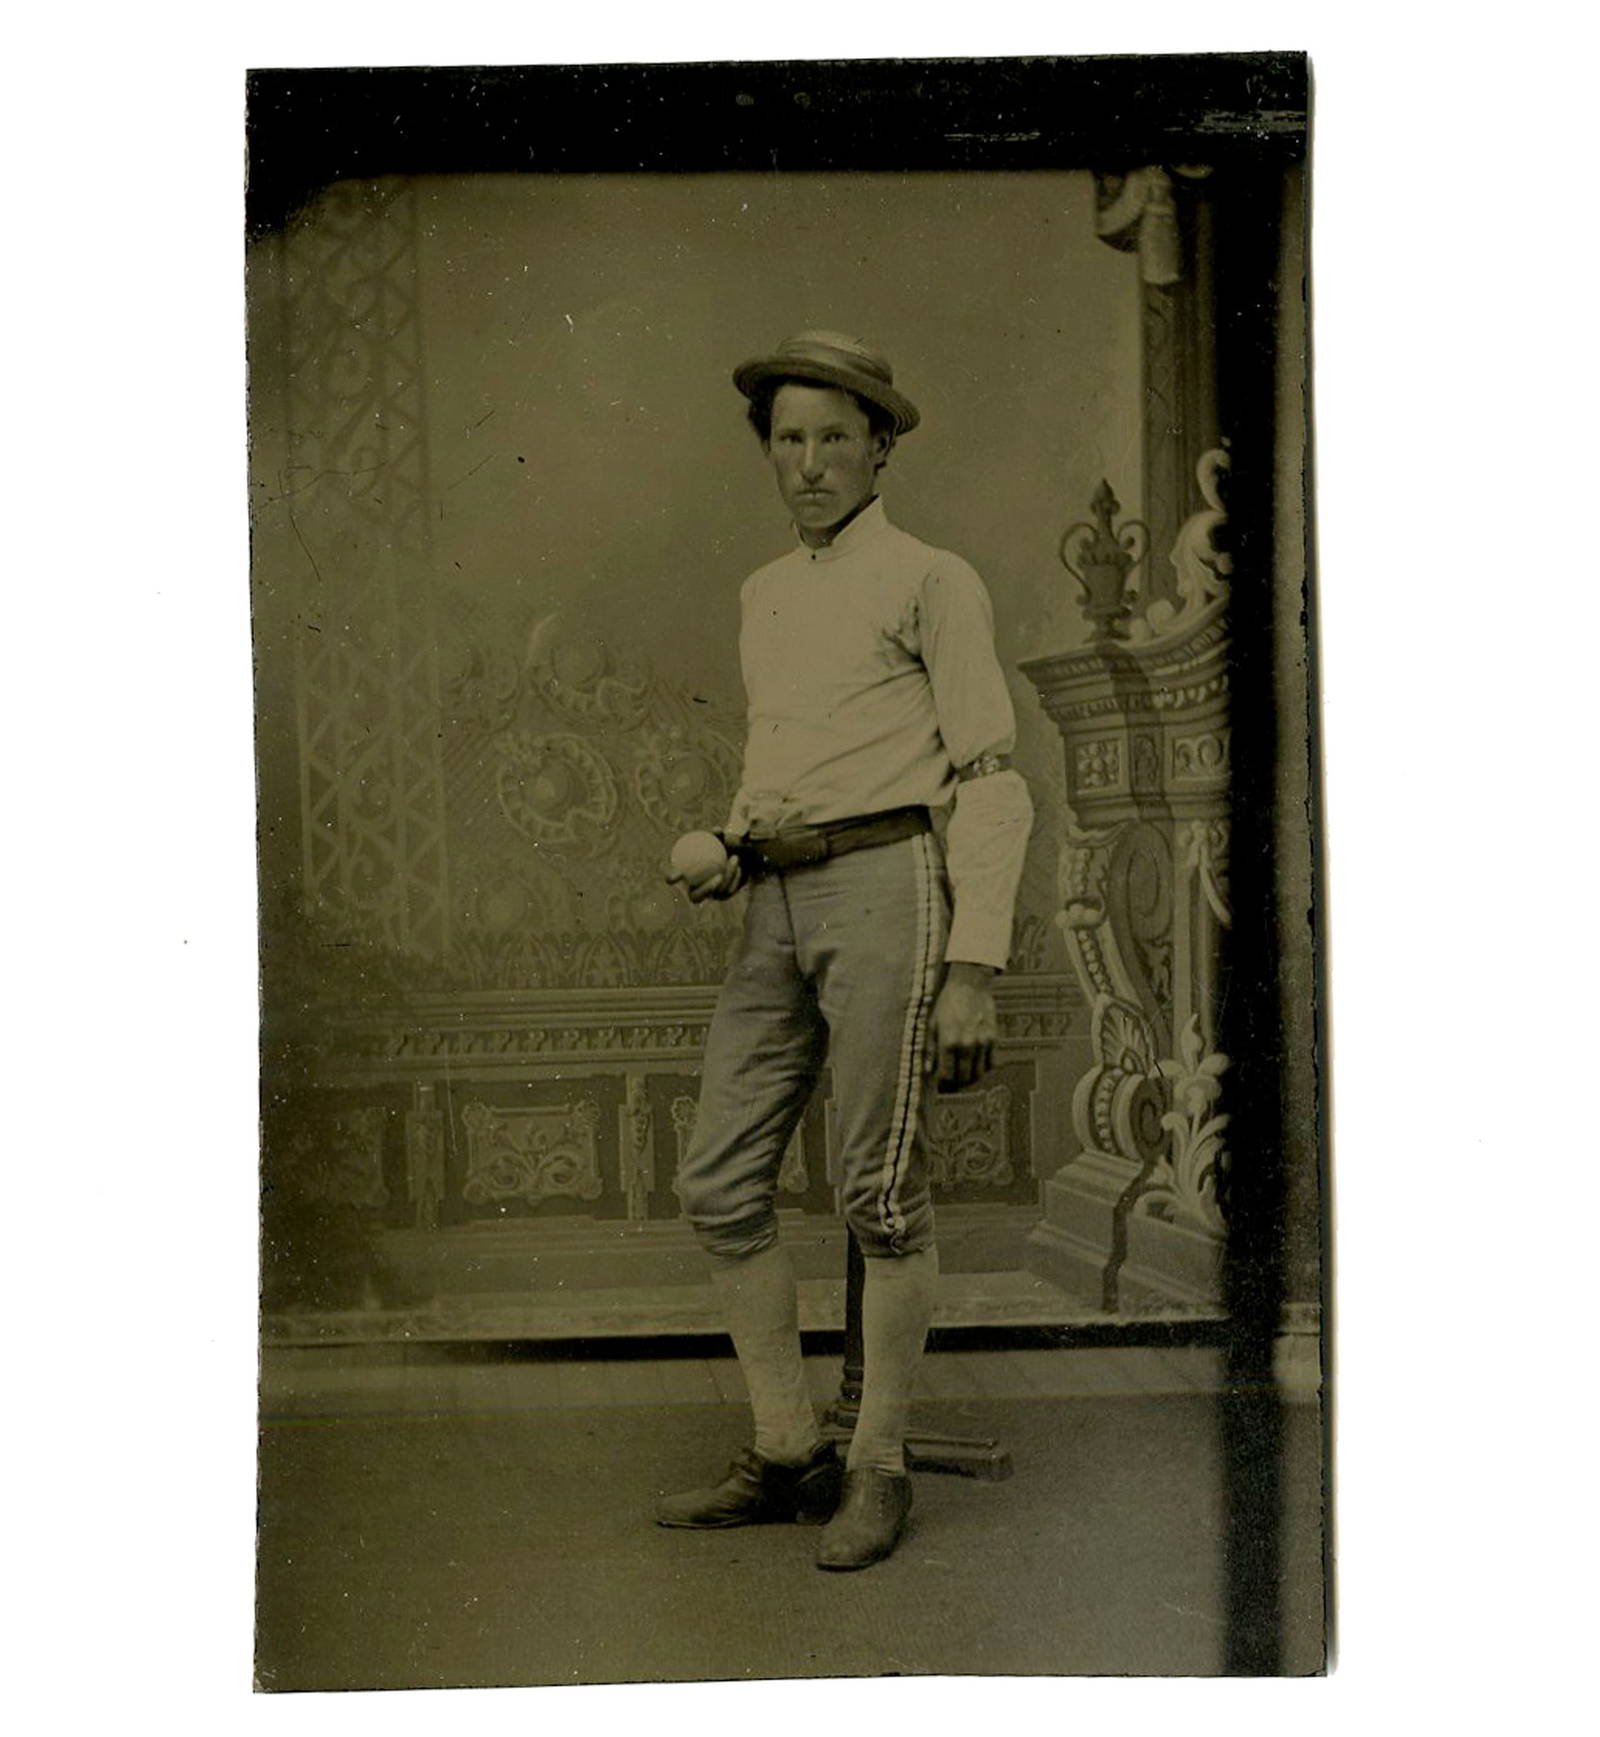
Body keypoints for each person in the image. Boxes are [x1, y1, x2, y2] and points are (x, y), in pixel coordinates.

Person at [658, 331, 1033, 1571]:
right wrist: (732, 841)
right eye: (788, 439)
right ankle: (787, 1451)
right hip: (774, 898)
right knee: (720, 1182)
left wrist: (972, 966)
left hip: (889, 887)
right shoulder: (765, 591)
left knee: (877, 1193)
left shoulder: (932, 579)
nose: (809, 462)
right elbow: (790, 753)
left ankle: (876, 1463)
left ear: (880, 447)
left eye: (833, 437)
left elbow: (990, 777)